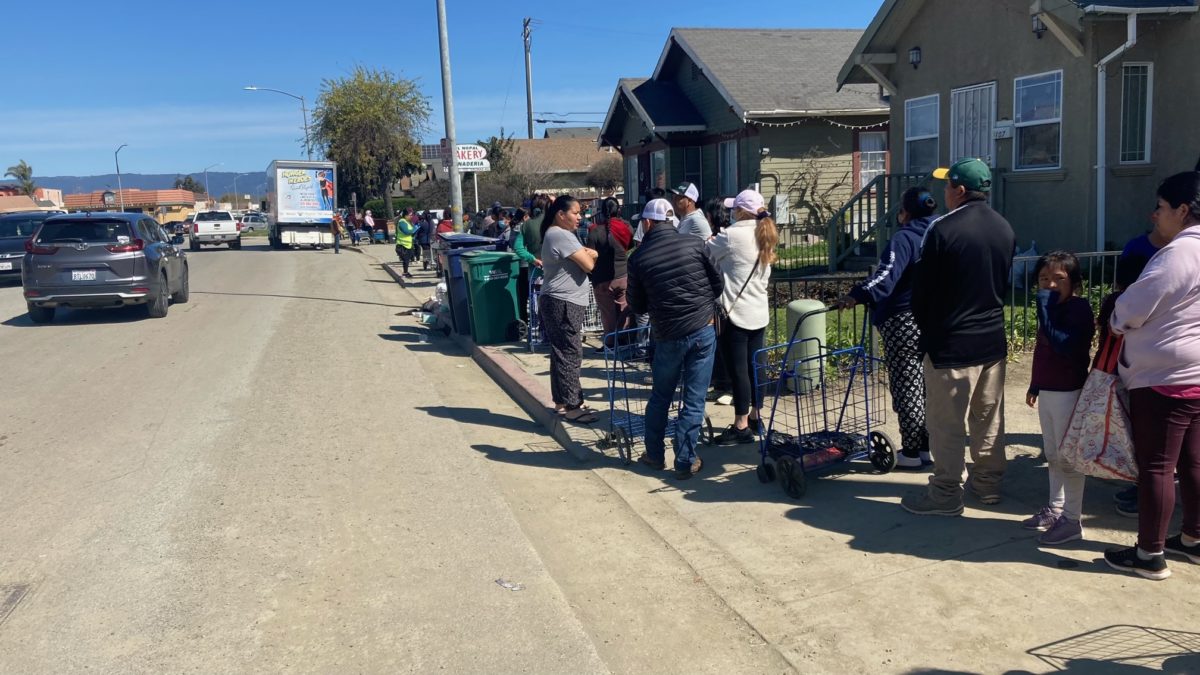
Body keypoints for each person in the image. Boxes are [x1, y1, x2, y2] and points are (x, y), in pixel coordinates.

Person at [902, 157, 1015, 516]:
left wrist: (928, 330)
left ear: (960, 190)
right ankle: (987, 484)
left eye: (947, 185)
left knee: (946, 424)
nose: (944, 192)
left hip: (951, 343)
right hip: (992, 339)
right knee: (988, 418)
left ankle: (946, 493)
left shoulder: (942, 229)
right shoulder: (1004, 227)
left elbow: (922, 291)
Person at [1104, 170, 1200, 581]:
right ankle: (1193, 538)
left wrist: (1116, 321)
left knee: (1157, 467)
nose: (1154, 215)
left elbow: (1133, 308)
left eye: (1160, 207)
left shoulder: (1178, 253)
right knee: (1193, 461)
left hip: (1163, 376)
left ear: (1183, 210)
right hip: (1194, 373)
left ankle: (1149, 554)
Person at [836, 187, 937, 468]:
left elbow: (886, 276)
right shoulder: (940, 233)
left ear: (905, 213)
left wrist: (857, 294)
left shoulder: (904, 238)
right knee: (928, 384)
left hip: (903, 318)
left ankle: (912, 452)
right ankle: (927, 446)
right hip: (934, 318)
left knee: (907, 383)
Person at [627, 198, 724, 479]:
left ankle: (654, 455)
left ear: (647, 222)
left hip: (668, 334)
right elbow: (717, 283)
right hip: (703, 329)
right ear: (671, 221)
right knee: (694, 399)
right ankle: (685, 460)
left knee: (661, 396)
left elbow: (637, 305)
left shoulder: (638, 258)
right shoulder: (695, 243)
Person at [1020, 252, 1095, 545]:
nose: (1049, 285)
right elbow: (1043, 352)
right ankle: (1055, 508)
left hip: (1069, 392)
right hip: (1049, 391)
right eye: (1043, 279)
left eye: (1058, 279)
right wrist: (1035, 384)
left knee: (1068, 458)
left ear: (1074, 283)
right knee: (1052, 454)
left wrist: (1044, 307)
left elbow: (1063, 345)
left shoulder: (1078, 309)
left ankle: (1072, 520)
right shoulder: (1051, 309)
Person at [707, 189, 775, 446]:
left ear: (740, 211)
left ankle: (741, 425)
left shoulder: (731, 235)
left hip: (735, 314)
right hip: (758, 310)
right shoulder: (766, 233)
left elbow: (706, 253)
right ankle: (756, 417)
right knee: (756, 367)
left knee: (739, 371)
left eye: (734, 208)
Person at [1097, 254, 1151, 518]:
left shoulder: (1118, 302)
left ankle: (1144, 491)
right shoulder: (1152, 302)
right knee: (1142, 437)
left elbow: (1107, 331)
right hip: (1140, 374)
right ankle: (1141, 485)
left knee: (1137, 438)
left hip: (1121, 374)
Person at [539, 195, 599, 423]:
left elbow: (583, 255)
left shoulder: (557, 234)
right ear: (561, 214)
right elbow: (589, 264)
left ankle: (562, 402)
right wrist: (592, 254)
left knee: (561, 352)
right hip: (563, 301)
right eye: (575, 213)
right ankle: (573, 406)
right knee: (570, 353)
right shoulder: (560, 235)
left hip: (559, 300)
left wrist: (587, 253)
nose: (579, 217)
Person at [587, 197, 634, 344]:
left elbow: (589, 257)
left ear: (601, 211)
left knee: (607, 316)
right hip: (623, 276)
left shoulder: (594, 232)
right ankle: (624, 343)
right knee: (624, 312)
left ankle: (610, 345)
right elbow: (630, 246)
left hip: (602, 279)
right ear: (618, 210)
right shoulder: (626, 228)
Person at [395, 209, 417, 278]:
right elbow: (407, 231)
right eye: (410, 215)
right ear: (405, 215)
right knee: (406, 259)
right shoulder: (402, 222)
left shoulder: (408, 222)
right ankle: (405, 273)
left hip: (408, 244)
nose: (411, 216)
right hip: (402, 244)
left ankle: (406, 272)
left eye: (412, 215)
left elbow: (411, 231)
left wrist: (415, 229)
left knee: (407, 260)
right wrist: (414, 229)